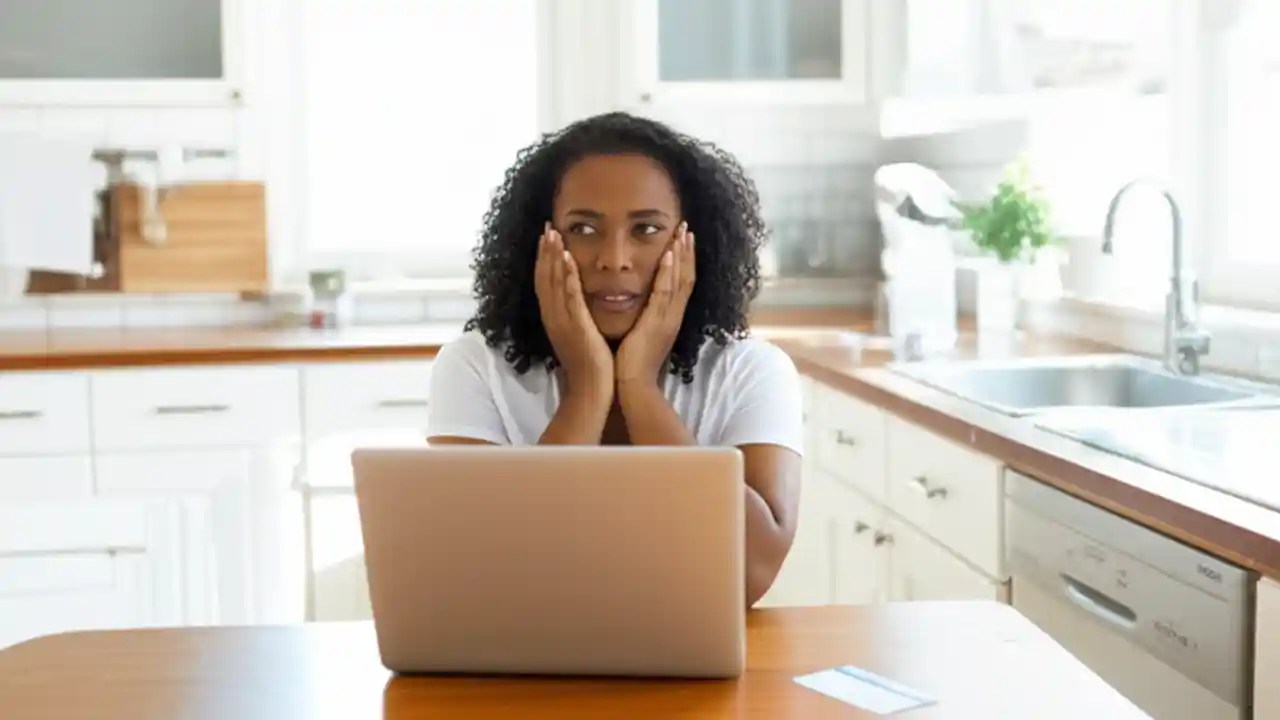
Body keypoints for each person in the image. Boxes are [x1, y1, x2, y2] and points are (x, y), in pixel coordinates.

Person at [428, 111, 803, 607]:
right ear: (539, 241)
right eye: (583, 229)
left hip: (691, 660)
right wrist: (587, 389)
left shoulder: (752, 371)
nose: (614, 259)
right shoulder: (473, 367)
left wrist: (639, 388)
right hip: (523, 664)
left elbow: (747, 575)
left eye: (646, 229)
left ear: (692, 242)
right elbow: (488, 575)